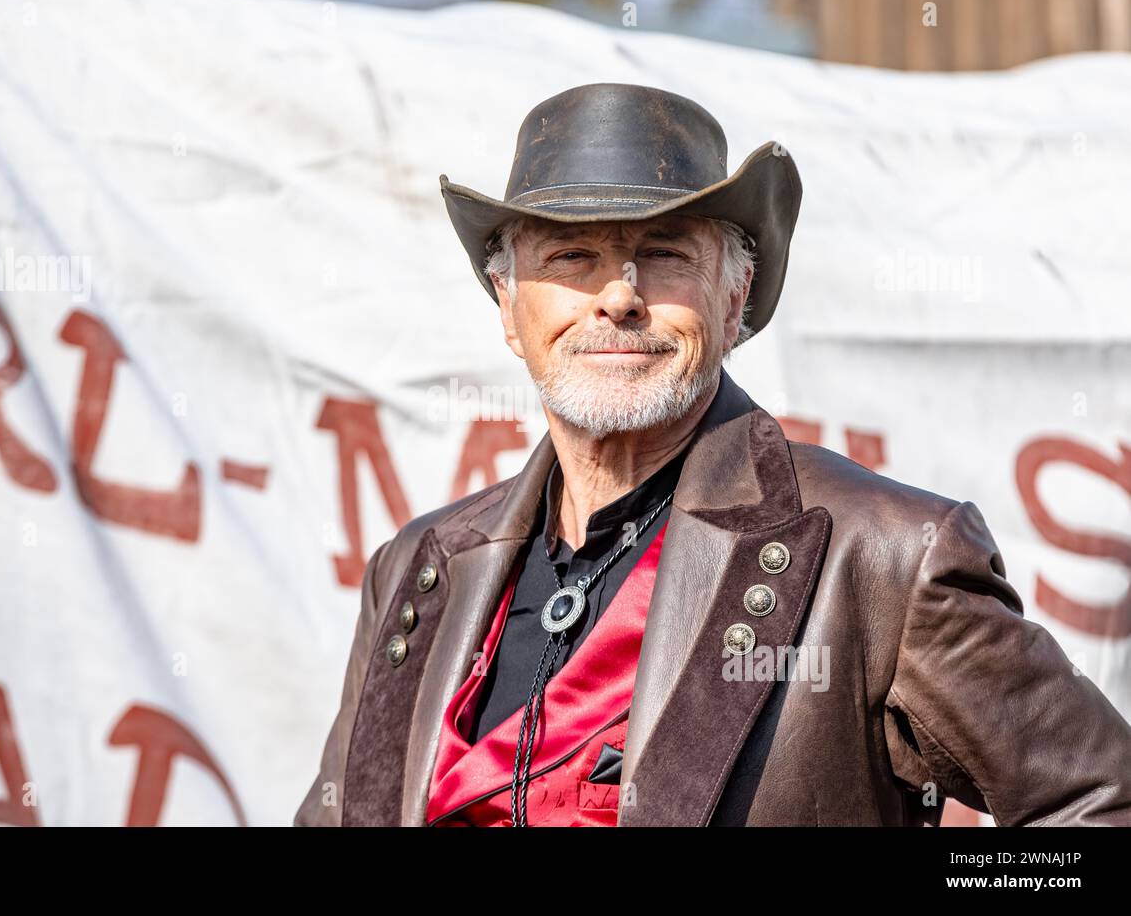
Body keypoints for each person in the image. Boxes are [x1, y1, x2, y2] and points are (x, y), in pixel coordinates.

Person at [295, 83, 1131, 826]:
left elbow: (1099, 801)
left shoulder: (885, 555)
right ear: (509, 310)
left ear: (734, 301)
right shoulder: (416, 571)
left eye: (663, 254)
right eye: (571, 257)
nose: (619, 296)